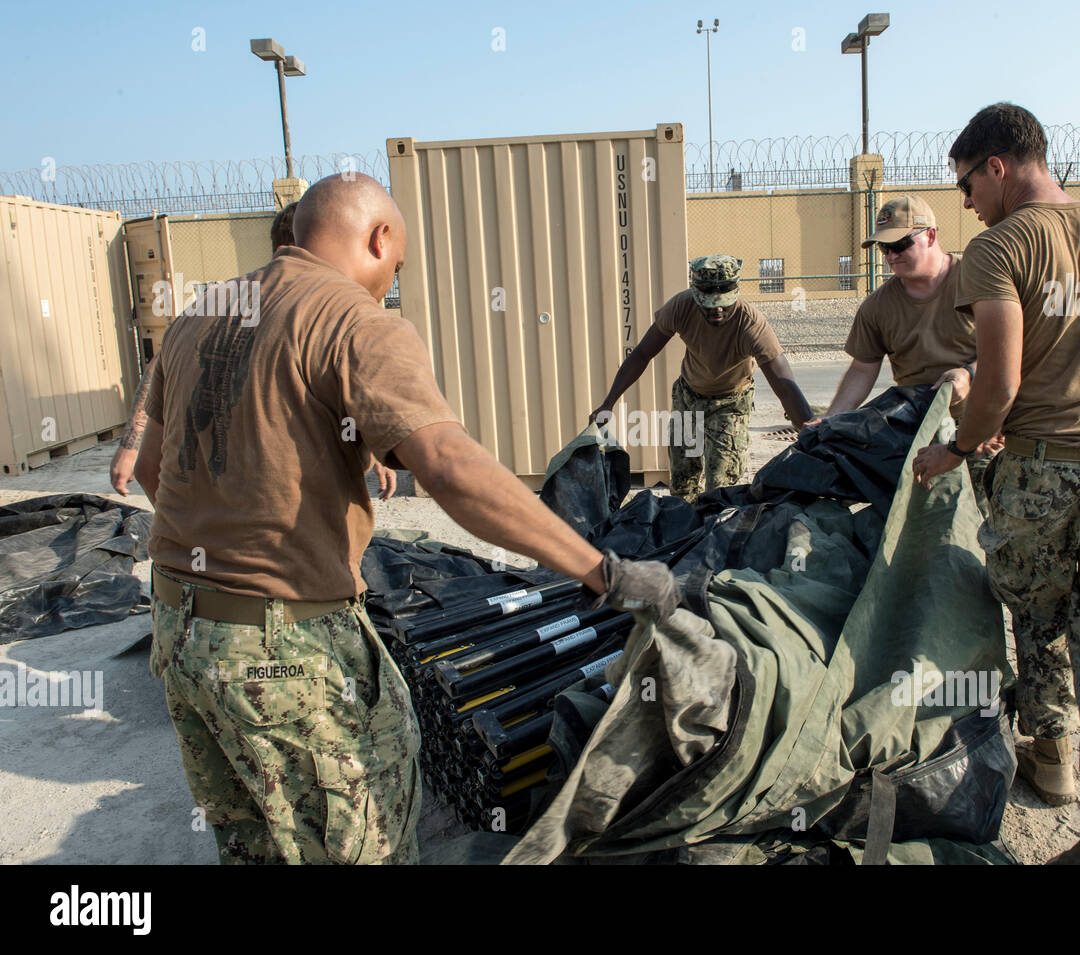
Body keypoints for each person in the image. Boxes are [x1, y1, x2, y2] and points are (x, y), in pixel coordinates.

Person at [132, 173, 679, 864]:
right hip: (284, 650)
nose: (391, 280)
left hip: (182, 634)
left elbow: (155, 471)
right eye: (397, 264)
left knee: (258, 842)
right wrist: (604, 570)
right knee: (367, 842)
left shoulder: (199, 314)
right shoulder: (353, 320)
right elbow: (450, 466)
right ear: (379, 236)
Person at [912, 104, 1080, 864]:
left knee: (1037, 610)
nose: (966, 201)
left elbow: (998, 384)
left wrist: (954, 450)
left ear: (997, 166)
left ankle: (1053, 752)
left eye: (967, 183)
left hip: (1046, 470)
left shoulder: (999, 247)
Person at [111, 201, 397, 500]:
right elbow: (163, 365)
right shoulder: (272, 308)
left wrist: (131, 448)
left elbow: (148, 466)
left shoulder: (227, 303)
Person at [809, 195, 998, 507]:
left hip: (978, 428)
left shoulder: (978, 281)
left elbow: (1014, 347)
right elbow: (862, 369)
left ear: (930, 235)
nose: (891, 256)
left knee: (980, 523)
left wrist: (969, 374)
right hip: (916, 435)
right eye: (884, 248)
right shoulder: (877, 307)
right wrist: (832, 419)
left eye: (899, 245)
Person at [591, 254, 812, 502]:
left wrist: (809, 429)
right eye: (708, 302)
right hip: (689, 397)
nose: (717, 309)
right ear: (695, 294)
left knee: (721, 488)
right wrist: (608, 403)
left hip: (730, 404)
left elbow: (784, 385)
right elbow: (642, 354)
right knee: (683, 484)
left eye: (724, 302)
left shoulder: (751, 325)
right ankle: (686, 534)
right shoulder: (681, 307)